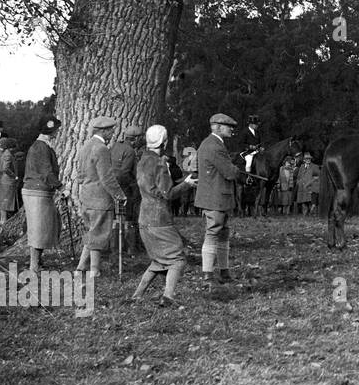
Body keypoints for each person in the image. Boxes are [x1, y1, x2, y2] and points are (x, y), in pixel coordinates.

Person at [131, 126, 188, 308]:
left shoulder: (142, 160)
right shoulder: (160, 163)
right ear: (164, 142)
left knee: (159, 260)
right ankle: (168, 297)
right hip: (160, 218)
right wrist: (187, 184)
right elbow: (168, 193)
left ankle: (137, 295)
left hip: (144, 217)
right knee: (177, 258)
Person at [196, 112, 242, 284]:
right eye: (229, 127)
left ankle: (223, 271)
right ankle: (208, 273)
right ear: (218, 127)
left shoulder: (210, 144)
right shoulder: (214, 146)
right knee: (214, 232)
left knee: (222, 233)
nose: (231, 130)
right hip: (215, 197)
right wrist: (238, 170)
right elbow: (229, 172)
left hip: (216, 196)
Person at [77, 116, 126, 276]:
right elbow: (106, 177)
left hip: (86, 197)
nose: (113, 133)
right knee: (98, 235)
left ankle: (80, 269)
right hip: (100, 199)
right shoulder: (102, 148)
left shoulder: (85, 146)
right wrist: (119, 195)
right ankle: (94, 271)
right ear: (103, 131)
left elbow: (80, 175)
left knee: (92, 233)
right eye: (111, 130)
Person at [22, 116, 62, 275]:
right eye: (56, 130)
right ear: (50, 131)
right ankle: (34, 266)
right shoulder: (41, 147)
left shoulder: (42, 146)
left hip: (40, 191)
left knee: (42, 228)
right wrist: (61, 187)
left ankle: (37, 262)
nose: (58, 132)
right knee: (38, 229)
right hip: (37, 192)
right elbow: (46, 172)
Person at [0, 136, 20, 225]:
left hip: (3, 181)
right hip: (6, 181)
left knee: (2, 204)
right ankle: (2, 223)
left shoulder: (3, 153)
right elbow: (4, 168)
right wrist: (14, 176)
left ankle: (1, 223)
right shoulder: (6, 154)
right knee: (4, 204)